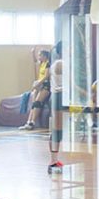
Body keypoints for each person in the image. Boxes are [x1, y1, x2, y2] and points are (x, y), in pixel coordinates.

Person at [21, 50, 52, 130]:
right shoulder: (41, 63)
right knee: (34, 103)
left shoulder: (48, 64)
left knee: (38, 102)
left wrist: (38, 84)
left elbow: (46, 76)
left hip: (45, 85)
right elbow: (35, 61)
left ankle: (33, 122)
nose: (39, 57)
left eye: (40, 55)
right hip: (39, 84)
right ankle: (28, 122)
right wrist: (32, 53)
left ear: (45, 56)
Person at [48, 42, 64, 174]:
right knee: (57, 130)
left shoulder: (61, 63)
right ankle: (53, 161)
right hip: (59, 97)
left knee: (60, 131)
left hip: (62, 98)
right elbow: (71, 83)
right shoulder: (60, 64)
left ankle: (54, 160)